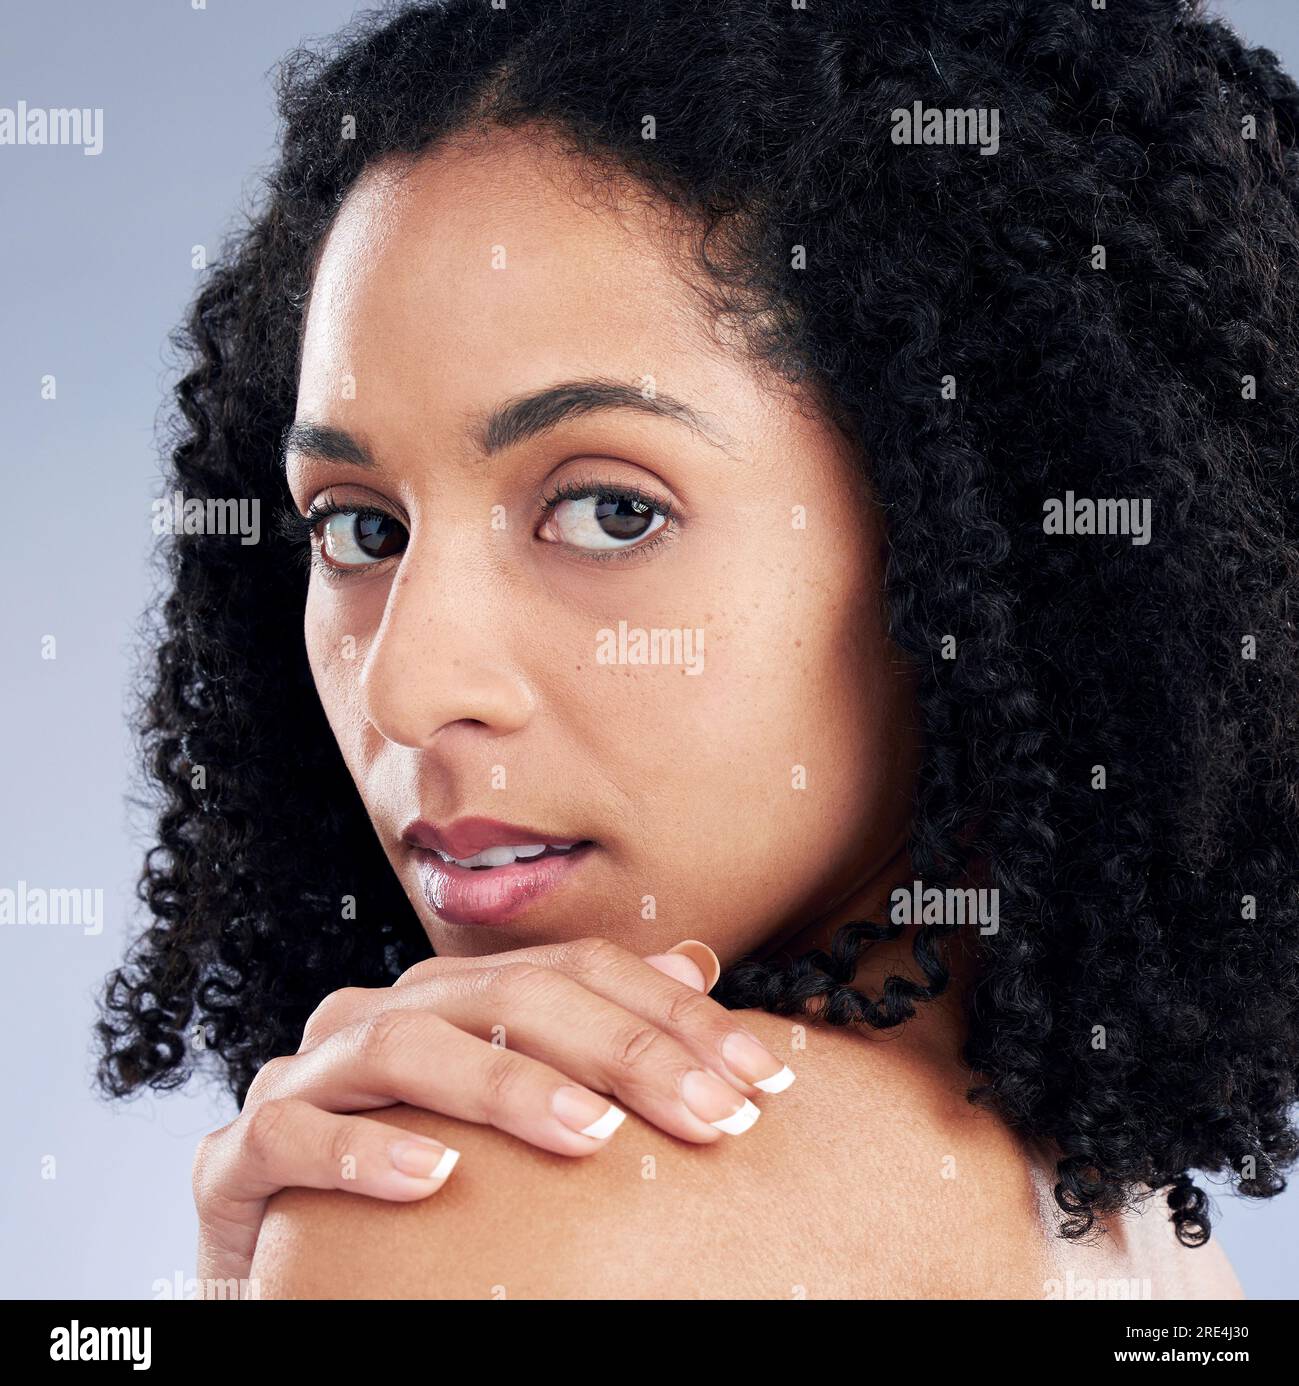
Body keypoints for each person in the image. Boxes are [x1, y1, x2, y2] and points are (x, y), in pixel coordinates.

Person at [98, 0, 1299, 1298]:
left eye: (611, 510)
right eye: (360, 527)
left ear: (968, 538)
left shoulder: (487, 1205)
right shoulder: (1152, 1249)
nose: (409, 683)